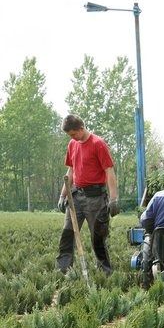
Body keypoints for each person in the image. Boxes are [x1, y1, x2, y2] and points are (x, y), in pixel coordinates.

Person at [56, 114, 120, 276]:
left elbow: (109, 171)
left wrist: (113, 199)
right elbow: (70, 171)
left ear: (81, 129)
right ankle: (64, 270)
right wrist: (63, 195)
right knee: (67, 233)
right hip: (76, 196)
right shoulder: (72, 144)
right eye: (70, 135)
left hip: (96, 198)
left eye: (73, 134)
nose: (72, 138)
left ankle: (104, 273)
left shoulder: (98, 144)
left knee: (98, 237)